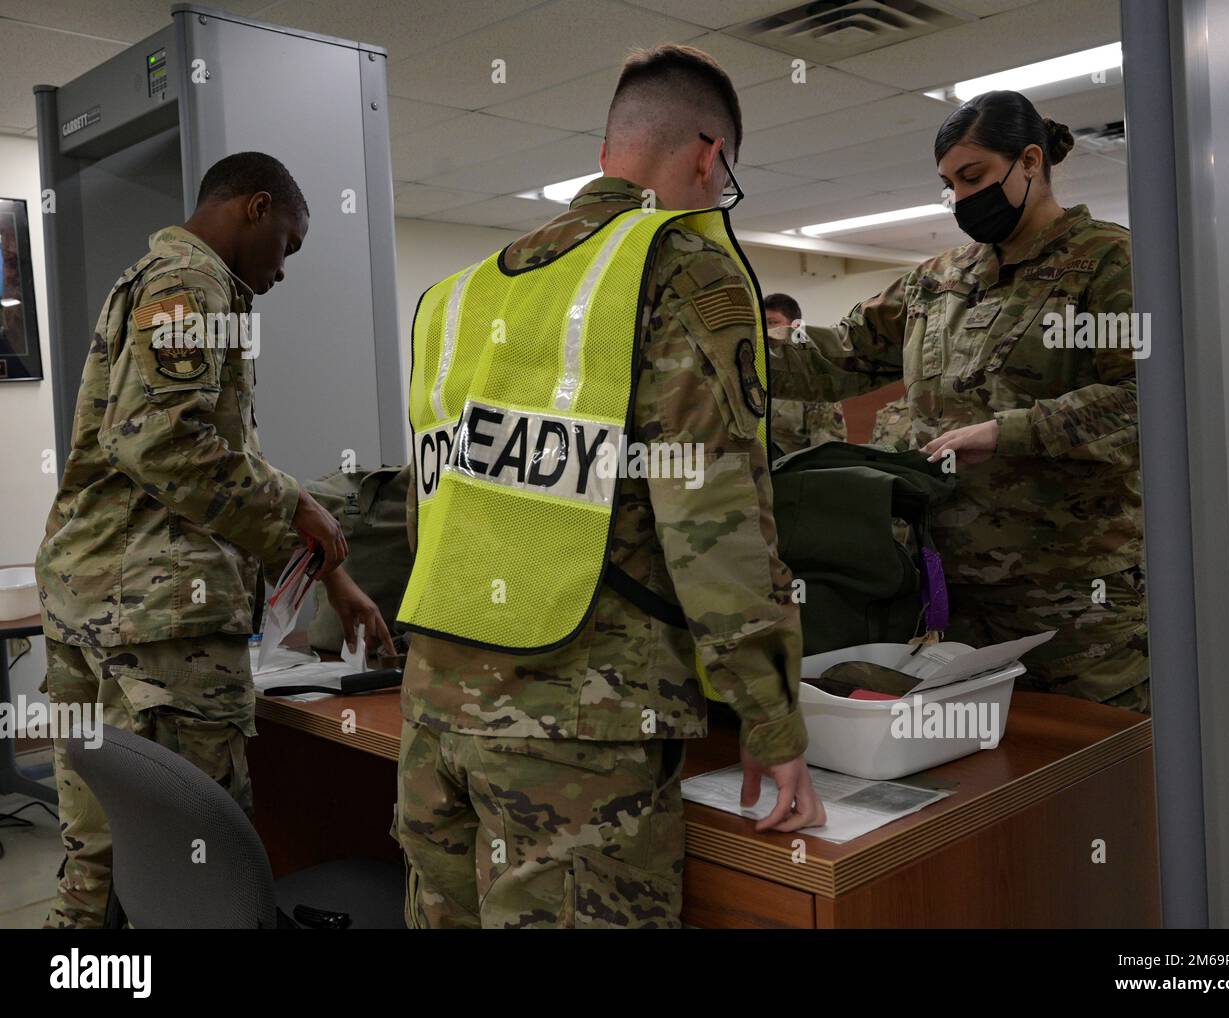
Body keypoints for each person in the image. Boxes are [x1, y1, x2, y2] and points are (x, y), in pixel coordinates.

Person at [394, 44, 825, 930]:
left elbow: (432, 506)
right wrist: (772, 722)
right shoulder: (678, 266)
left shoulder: (462, 294)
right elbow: (713, 525)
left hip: (435, 713)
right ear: (709, 157)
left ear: (605, 155)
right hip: (580, 733)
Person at [34, 151, 387, 928]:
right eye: (288, 244)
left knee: (96, 855)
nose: (285, 271)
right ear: (255, 208)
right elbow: (161, 443)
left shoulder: (158, 281)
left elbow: (211, 456)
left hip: (97, 610)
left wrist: (331, 572)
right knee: (198, 868)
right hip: (162, 630)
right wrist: (294, 504)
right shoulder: (190, 284)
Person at [768, 91, 1149, 713]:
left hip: (1078, 596)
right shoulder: (938, 280)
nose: (961, 198)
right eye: (949, 184)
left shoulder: (1108, 260)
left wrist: (1011, 431)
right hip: (957, 587)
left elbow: (1148, 400)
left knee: (1102, 768)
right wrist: (720, 351)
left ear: (1030, 162)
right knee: (988, 767)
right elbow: (838, 354)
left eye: (973, 177)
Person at [763, 293, 847, 456]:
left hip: (791, 473)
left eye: (773, 323)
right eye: (762, 323)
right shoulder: (754, 372)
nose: (765, 330)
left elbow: (827, 451)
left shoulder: (814, 378)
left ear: (796, 326)